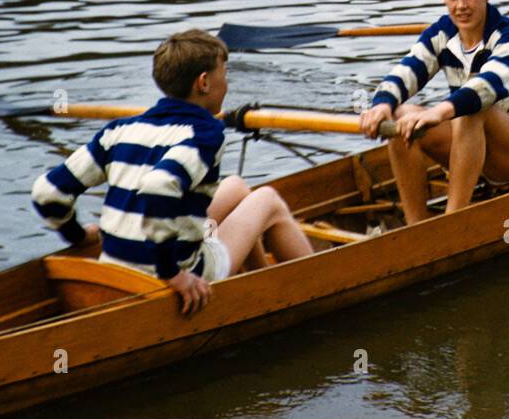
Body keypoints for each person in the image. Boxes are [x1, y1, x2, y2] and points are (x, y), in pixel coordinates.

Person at [31, 29, 314, 315]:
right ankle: (316, 290)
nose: (227, 84)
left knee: (237, 186)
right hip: (175, 274)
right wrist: (172, 273)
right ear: (203, 83)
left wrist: (77, 237)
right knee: (268, 200)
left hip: (112, 267)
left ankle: (257, 284)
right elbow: (159, 187)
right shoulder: (204, 134)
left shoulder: (119, 130)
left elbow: (47, 193)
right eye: (224, 74)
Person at [359, 0, 509, 225]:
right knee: (401, 115)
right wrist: (381, 105)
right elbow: (407, 70)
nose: (461, 5)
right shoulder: (442, 33)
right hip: (469, 142)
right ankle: (417, 227)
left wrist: (439, 112)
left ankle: (451, 224)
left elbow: (488, 86)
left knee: (471, 109)